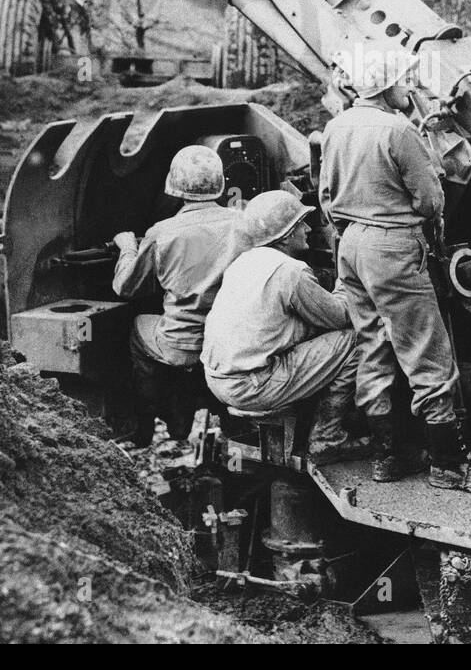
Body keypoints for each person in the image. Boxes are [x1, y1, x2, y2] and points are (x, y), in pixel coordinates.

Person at [319, 47, 471, 494]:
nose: (409, 87)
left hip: (352, 247)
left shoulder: (335, 127)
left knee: (373, 348)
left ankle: (388, 455)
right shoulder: (399, 129)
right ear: (385, 87)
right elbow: (430, 199)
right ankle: (448, 463)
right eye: (403, 81)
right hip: (393, 247)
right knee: (427, 353)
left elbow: (326, 197)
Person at [202, 191, 363, 461]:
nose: (309, 229)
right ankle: (327, 436)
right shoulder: (289, 271)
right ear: (286, 235)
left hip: (219, 380)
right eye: (302, 223)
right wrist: (347, 277)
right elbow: (340, 316)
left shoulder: (243, 262)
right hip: (253, 385)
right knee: (356, 338)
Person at [112, 146, 245, 449]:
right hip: (229, 343)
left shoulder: (162, 232)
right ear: (220, 184)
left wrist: (128, 247)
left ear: (174, 187)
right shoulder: (243, 224)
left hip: (182, 345)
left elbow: (126, 288)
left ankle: (146, 422)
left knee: (137, 327)